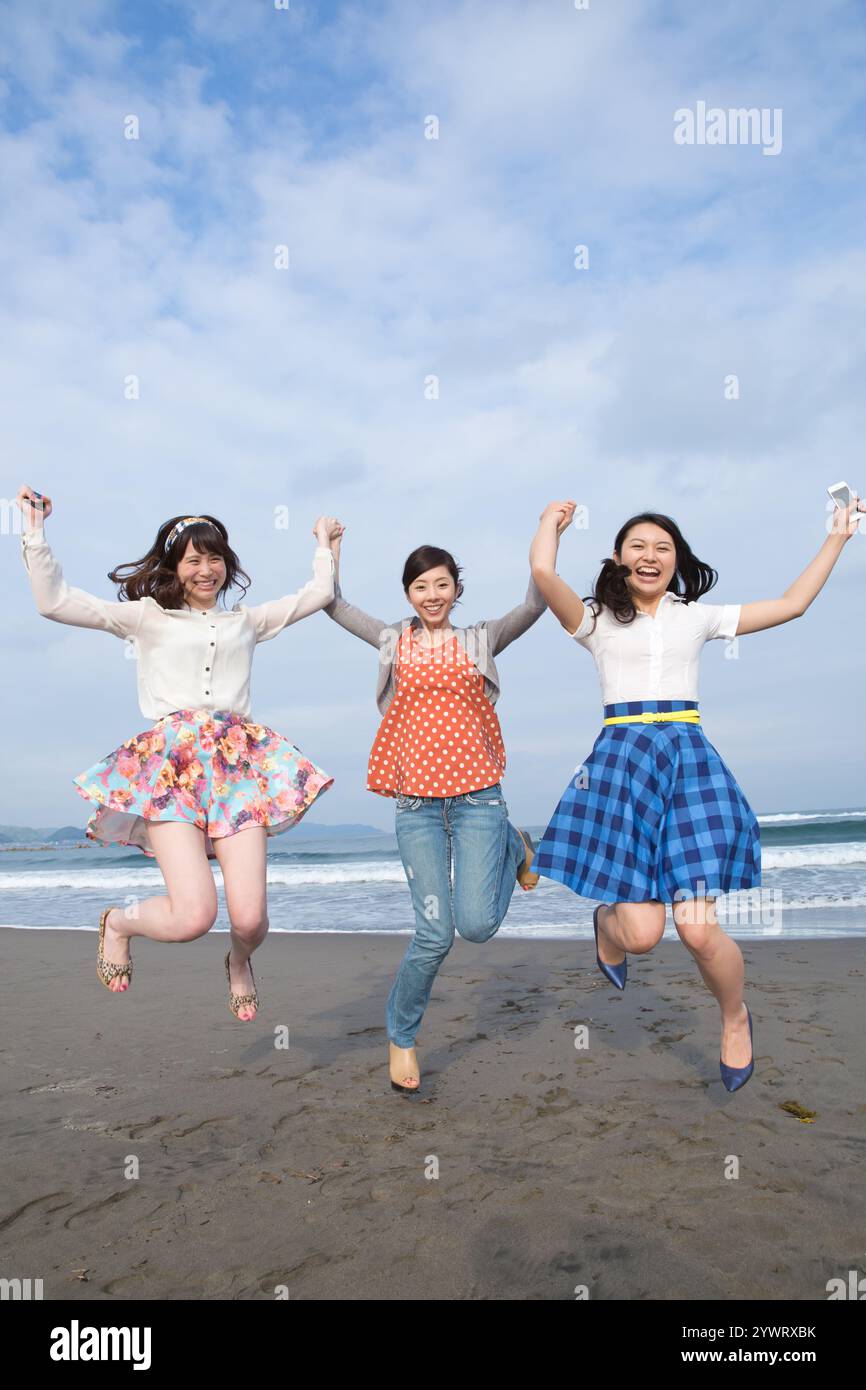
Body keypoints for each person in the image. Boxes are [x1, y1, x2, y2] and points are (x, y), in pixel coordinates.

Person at [529, 493, 864, 1092]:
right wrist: (549, 525)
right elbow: (542, 574)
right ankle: (608, 926)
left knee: (698, 927)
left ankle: (735, 1018)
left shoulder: (696, 616)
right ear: (618, 558)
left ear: (677, 559)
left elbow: (793, 605)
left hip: (688, 764)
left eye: (664, 548)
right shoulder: (595, 621)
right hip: (621, 768)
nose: (651, 556)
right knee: (643, 936)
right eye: (639, 546)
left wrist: (837, 537)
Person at [16, 484, 341, 1021]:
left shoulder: (246, 622)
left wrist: (326, 544)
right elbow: (54, 601)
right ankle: (118, 923)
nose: (206, 569)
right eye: (194, 559)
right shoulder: (147, 618)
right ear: (174, 566)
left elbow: (316, 594)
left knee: (251, 921)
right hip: (172, 769)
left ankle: (239, 962)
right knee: (193, 916)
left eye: (215, 557)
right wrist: (33, 529)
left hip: (240, 768)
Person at [322, 523, 554, 1093]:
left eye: (442, 584)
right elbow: (332, 603)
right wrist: (330, 548)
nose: (432, 594)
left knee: (475, 927)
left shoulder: (481, 638)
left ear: (456, 590)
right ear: (408, 594)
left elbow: (536, 601)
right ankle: (402, 1037)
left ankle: (513, 843)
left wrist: (548, 533)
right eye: (421, 585)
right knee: (434, 934)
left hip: (478, 800)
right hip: (416, 806)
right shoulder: (389, 640)